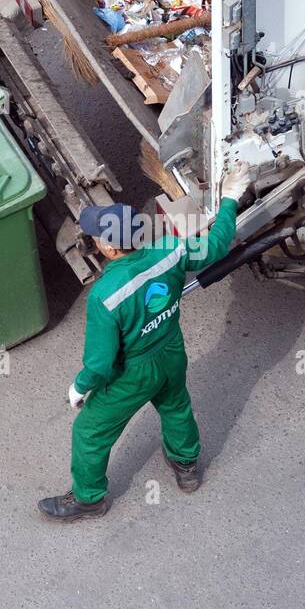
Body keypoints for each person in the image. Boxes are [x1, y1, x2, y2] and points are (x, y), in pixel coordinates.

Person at [38, 163, 252, 521]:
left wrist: (80, 387)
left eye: (95, 237)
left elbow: (101, 363)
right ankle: (186, 467)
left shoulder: (104, 296)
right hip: (170, 352)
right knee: (175, 406)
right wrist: (230, 199)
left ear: (108, 248)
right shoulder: (170, 251)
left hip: (133, 373)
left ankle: (89, 499)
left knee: (89, 431)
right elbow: (216, 245)